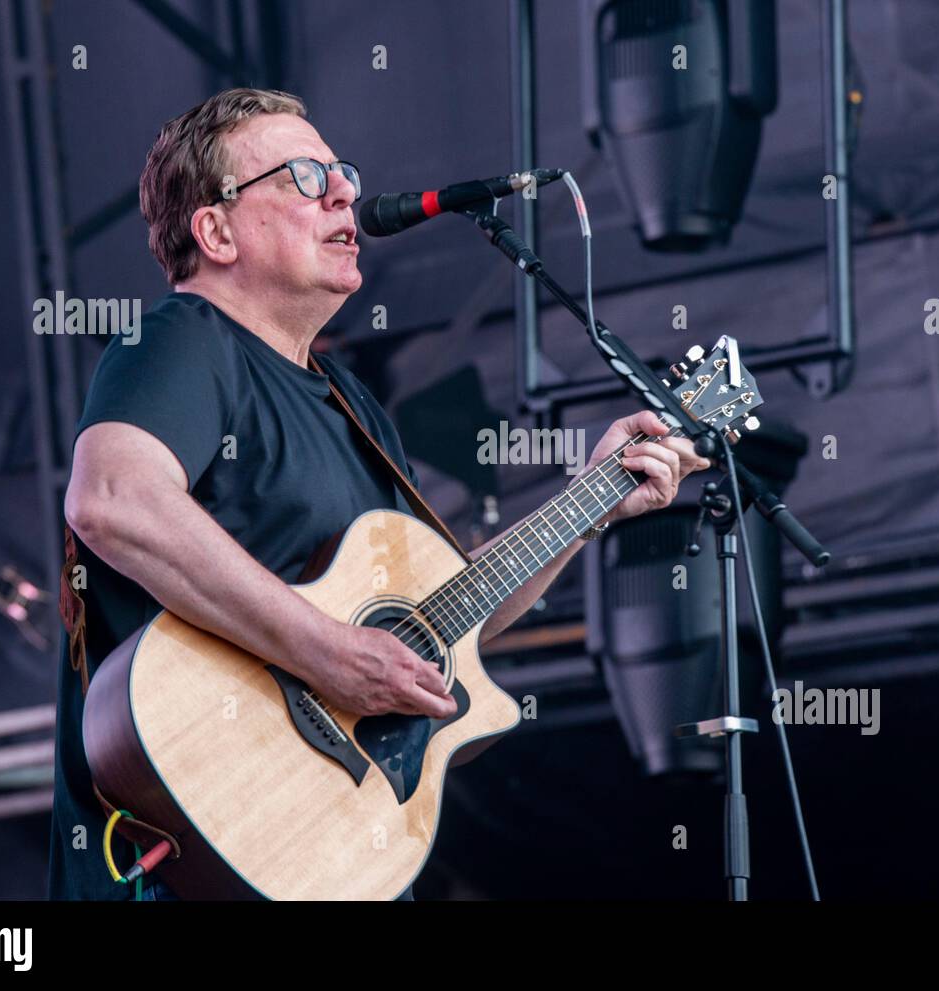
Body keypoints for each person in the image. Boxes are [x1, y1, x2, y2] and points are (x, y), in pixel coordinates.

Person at [46, 88, 707, 902]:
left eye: (342, 173)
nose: (344, 191)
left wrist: (594, 498)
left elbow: (437, 619)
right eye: (301, 175)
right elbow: (114, 499)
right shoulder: (184, 341)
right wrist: (325, 650)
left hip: (311, 853)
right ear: (215, 230)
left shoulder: (355, 407)